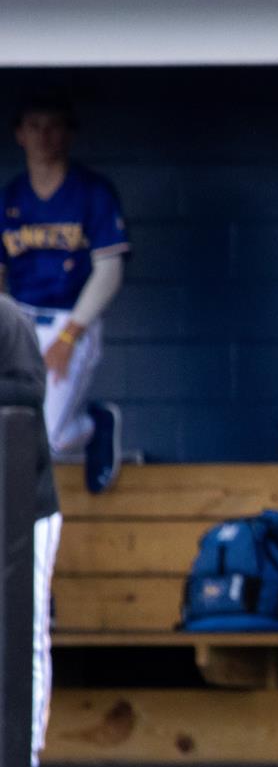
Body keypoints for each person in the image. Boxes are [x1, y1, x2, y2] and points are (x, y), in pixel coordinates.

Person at [0, 95, 129, 494]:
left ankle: (95, 425)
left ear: (69, 133)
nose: (44, 136)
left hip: (69, 320)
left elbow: (110, 271)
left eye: (53, 125)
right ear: (20, 134)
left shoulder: (92, 193)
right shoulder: (9, 198)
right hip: (19, 319)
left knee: (51, 436)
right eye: (34, 125)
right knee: (15, 424)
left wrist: (70, 336)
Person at [0, 299, 60, 767]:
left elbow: (27, 390)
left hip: (24, 503)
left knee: (25, 629)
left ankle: (24, 761)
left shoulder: (8, 318)